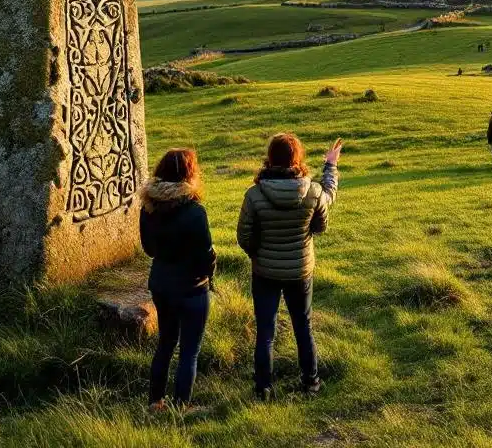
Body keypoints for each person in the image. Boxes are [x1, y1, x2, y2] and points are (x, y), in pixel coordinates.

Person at [236, 133, 342, 399]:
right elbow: (321, 225)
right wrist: (331, 166)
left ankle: (263, 389)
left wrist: (259, 255)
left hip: (265, 273)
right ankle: (311, 383)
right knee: (303, 327)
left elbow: (244, 236)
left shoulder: (254, 194)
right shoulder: (314, 192)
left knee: (266, 331)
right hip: (300, 271)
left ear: (270, 157)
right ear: (297, 158)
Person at [141, 148, 217, 410]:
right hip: (192, 288)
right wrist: (209, 271)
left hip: (161, 284)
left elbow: (149, 249)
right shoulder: (195, 211)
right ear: (189, 174)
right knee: (189, 351)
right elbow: (206, 255)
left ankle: (155, 402)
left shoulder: (148, 207)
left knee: (165, 343)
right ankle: (181, 406)